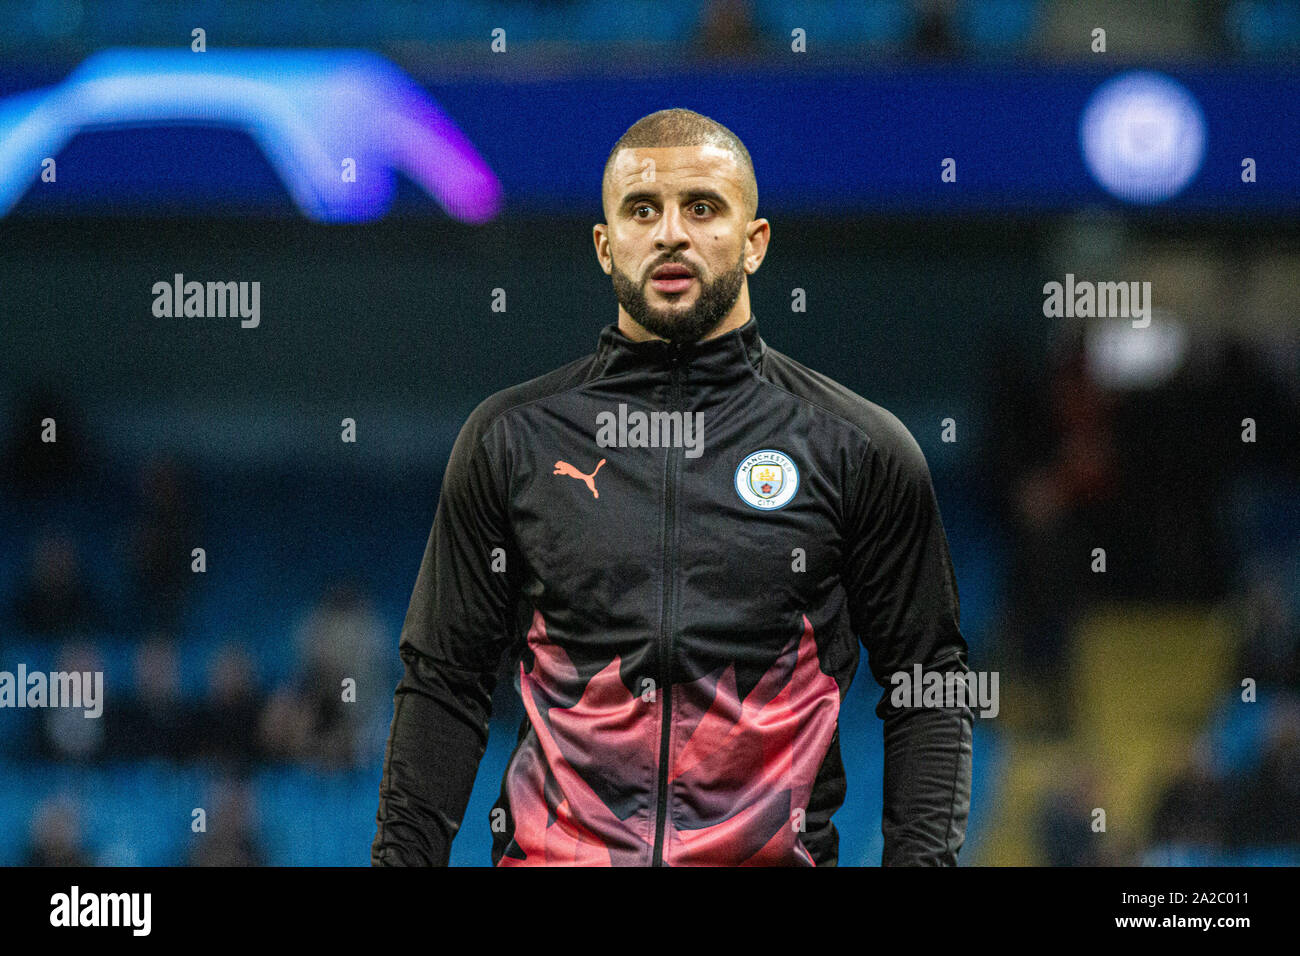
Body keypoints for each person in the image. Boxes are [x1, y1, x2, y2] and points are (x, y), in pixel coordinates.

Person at [372, 108, 972, 866]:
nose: (670, 234)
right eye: (642, 210)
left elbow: (930, 689)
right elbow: (443, 686)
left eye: (702, 208)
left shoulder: (861, 449)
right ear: (604, 244)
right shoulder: (510, 440)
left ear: (755, 242)